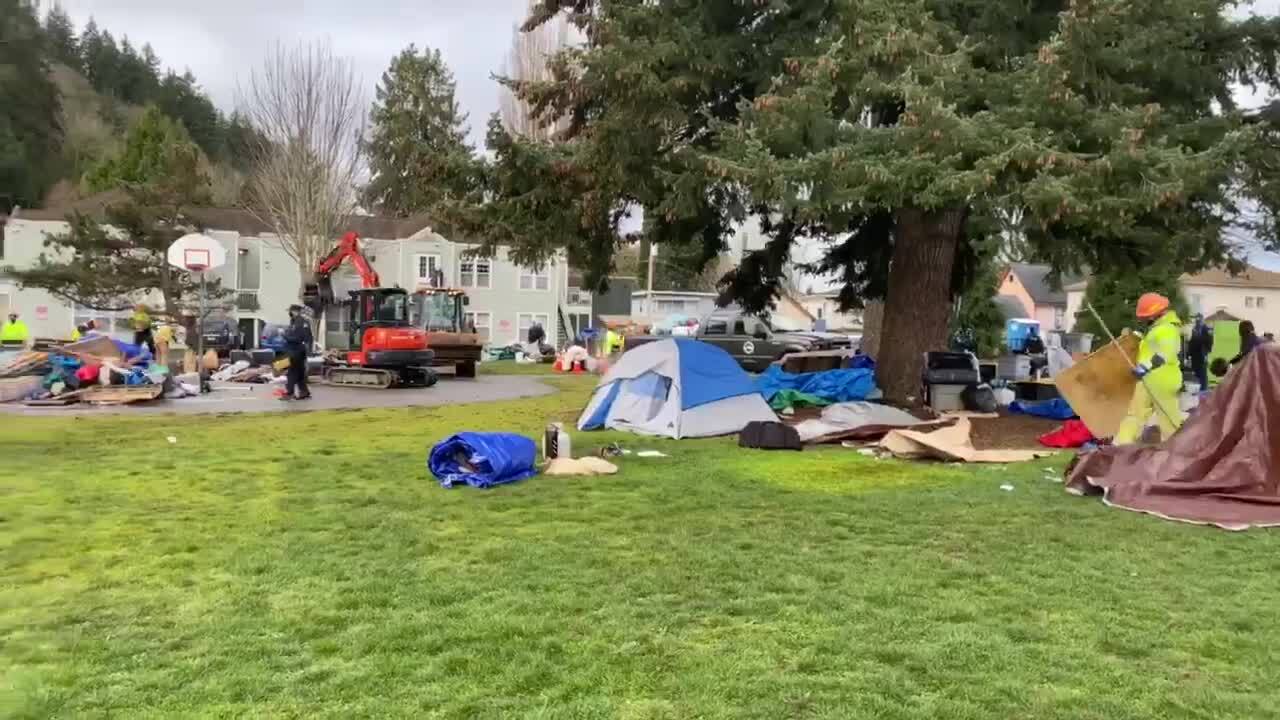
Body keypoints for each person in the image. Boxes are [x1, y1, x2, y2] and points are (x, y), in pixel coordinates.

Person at [1116, 293, 1183, 445]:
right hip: (1149, 379)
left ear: (1156, 313)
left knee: (1169, 421)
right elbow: (1151, 349)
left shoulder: (1167, 329)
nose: (1144, 319)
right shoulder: (1158, 329)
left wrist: (1145, 368)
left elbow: (1164, 353)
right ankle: (1120, 447)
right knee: (1135, 415)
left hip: (1162, 380)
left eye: (1146, 316)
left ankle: (1174, 453)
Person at [282, 304, 313, 400]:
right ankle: (304, 392)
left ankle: (289, 393)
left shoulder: (300, 322)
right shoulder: (295, 321)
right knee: (299, 373)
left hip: (296, 351)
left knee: (291, 372)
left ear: (295, 311)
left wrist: (285, 336)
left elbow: (299, 338)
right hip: (296, 350)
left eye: (290, 311)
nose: (289, 313)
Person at [1186, 313, 1213, 390]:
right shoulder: (1193, 329)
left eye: (1199, 319)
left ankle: (1203, 388)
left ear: (1202, 319)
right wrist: (1188, 355)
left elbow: (1209, 341)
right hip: (1194, 354)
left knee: (1203, 372)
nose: (1197, 320)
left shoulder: (1206, 329)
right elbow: (1190, 343)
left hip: (1202, 353)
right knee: (1196, 371)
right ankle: (1200, 386)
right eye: (1196, 319)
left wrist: (1207, 352)